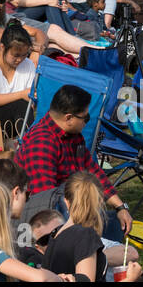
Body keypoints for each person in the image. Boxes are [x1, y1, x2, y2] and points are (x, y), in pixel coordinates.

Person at [16, 84, 133, 231]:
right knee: (97, 232)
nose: (87, 122)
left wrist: (120, 207)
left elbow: (93, 172)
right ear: (69, 118)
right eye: (85, 117)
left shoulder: (73, 135)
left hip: (67, 205)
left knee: (116, 225)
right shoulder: (42, 144)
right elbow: (45, 201)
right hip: (40, 220)